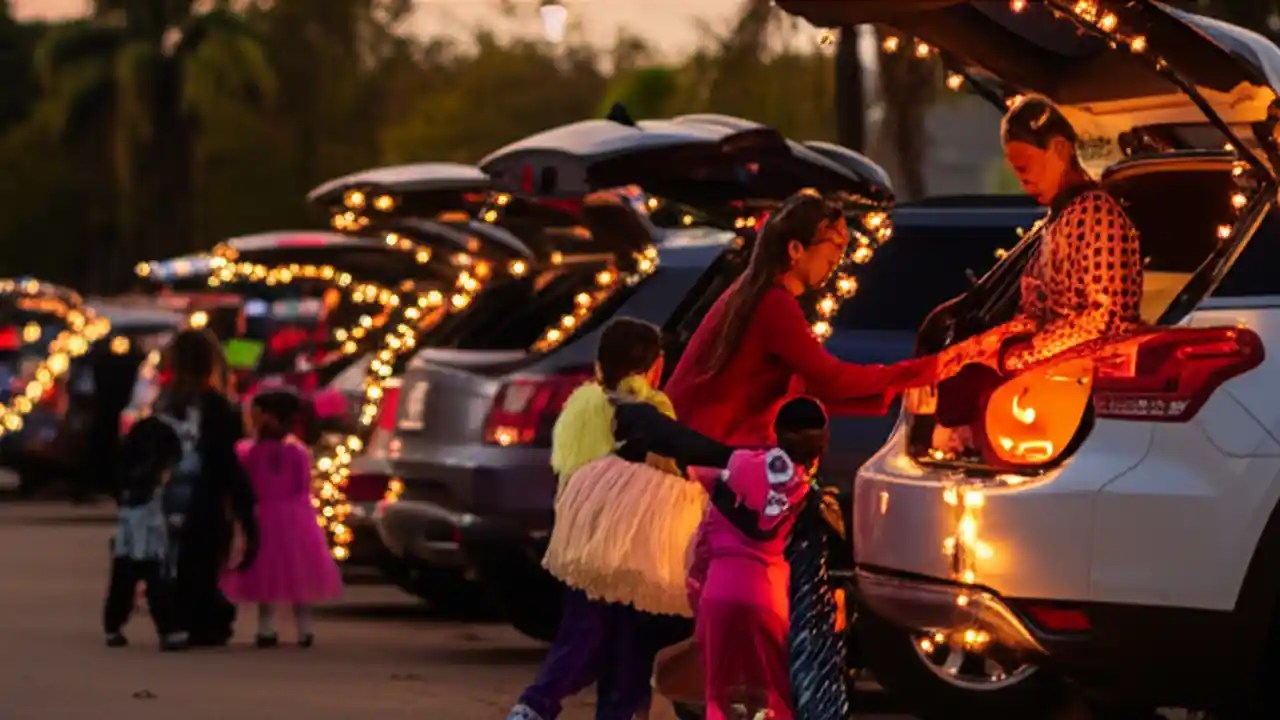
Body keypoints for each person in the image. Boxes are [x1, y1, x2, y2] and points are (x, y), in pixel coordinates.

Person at [509, 318, 719, 720]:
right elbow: (669, 460)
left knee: (589, 634)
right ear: (656, 367)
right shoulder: (645, 409)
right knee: (622, 644)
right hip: (632, 547)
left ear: (599, 364)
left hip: (581, 541)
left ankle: (536, 706)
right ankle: (543, 706)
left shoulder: (579, 408)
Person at [931, 95, 1144, 451]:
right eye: (1016, 171)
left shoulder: (1097, 215)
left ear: (1060, 149)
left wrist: (1021, 353)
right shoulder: (1056, 221)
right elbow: (1037, 311)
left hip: (1084, 394)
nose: (1023, 180)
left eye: (1026, 166)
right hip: (1049, 382)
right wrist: (988, 345)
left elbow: (1102, 318)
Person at [663, 190, 937, 447]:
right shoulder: (772, 303)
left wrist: (896, 388)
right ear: (795, 249)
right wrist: (926, 369)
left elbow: (809, 387)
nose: (839, 254)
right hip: (702, 451)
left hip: (699, 445)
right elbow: (830, 378)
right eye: (834, 243)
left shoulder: (755, 293)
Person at [686, 396, 830, 720]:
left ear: (775, 432)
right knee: (772, 697)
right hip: (768, 598)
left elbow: (705, 536)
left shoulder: (738, 465)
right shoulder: (806, 494)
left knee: (719, 695)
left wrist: (697, 591)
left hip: (718, 592)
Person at [153, 329, 258, 647]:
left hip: (168, 493)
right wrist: (244, 509)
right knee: (204, 557)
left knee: (171, 557)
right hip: (206, 494)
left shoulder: (165, 404)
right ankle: (203, 619)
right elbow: (228, 460)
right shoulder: (219, 406)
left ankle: (177, 617)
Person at [220, 389, 342, 648]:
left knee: (266, 570)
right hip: (296, 517)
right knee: (296, 572)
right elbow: (302, 487)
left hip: (265, 515)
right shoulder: (296, 452)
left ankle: (268, 627)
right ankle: (303, 628)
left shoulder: (249, 452)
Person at [102, 417, 186, 651]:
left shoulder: (128, 475)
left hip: (127, 538)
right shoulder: (156, 478)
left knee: (122, 582)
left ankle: (113, 626)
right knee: (158, 583)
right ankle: (169, 630)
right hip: (151, 538)